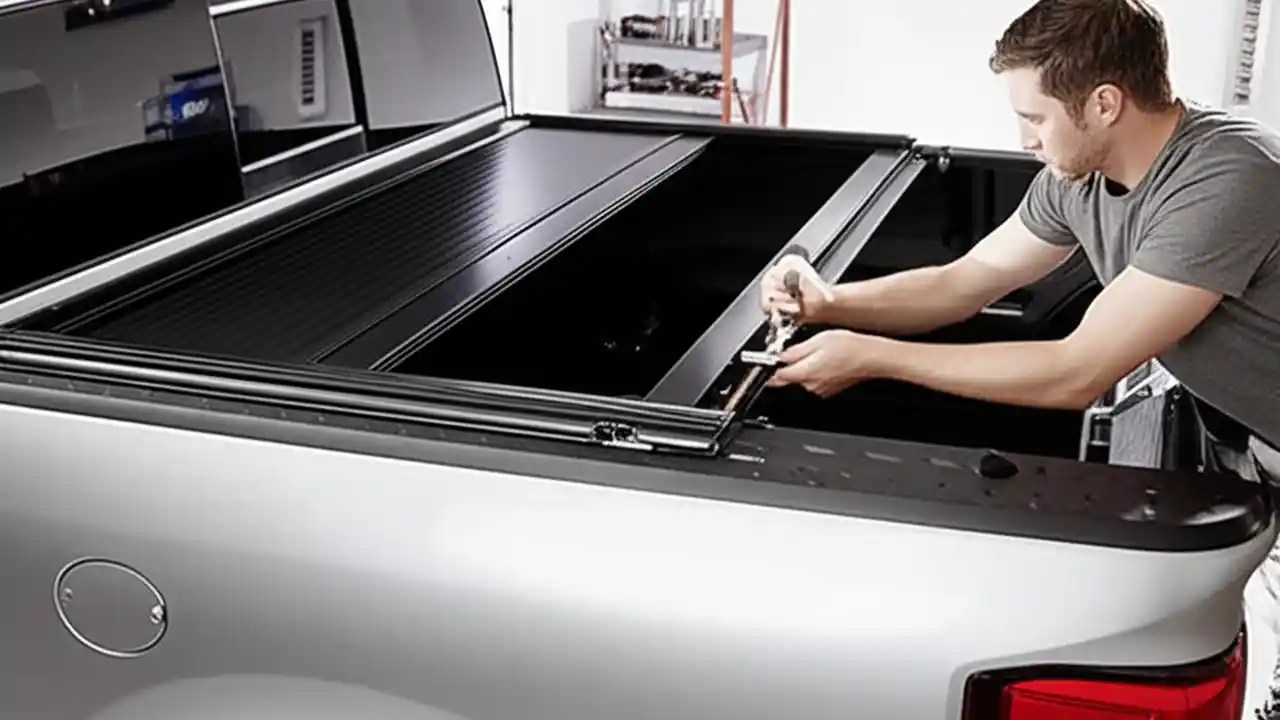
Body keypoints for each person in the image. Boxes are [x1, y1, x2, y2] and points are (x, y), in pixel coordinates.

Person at [760, 0, 1280, 710]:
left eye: (1035, 118)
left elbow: (1077, 371)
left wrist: (874, 357)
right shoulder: (1078, 178)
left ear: (1103, 104)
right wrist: (829, 302)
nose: (1025, 139)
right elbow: (964, 283)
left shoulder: (1228, 178)